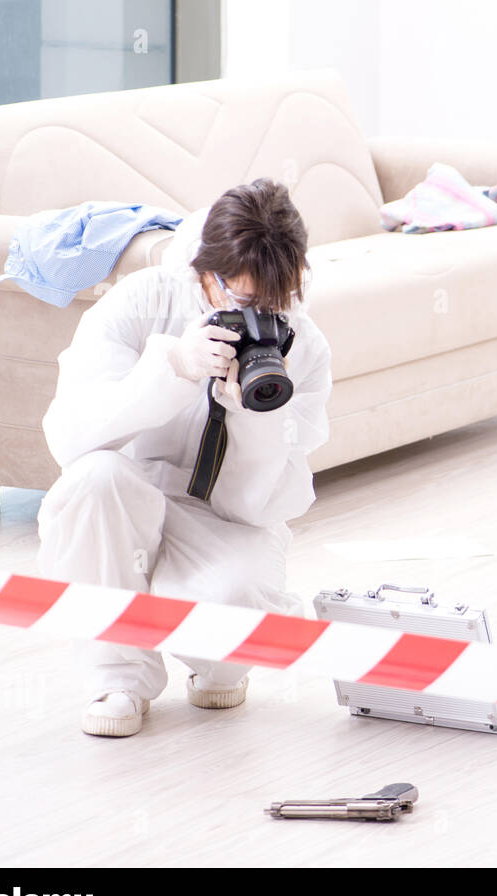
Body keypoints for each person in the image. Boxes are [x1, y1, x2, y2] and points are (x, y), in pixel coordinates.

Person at [37, 178, 333, 736]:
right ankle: (118, 676)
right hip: (128, 497)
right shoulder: (141, 300)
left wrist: (254, 417)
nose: (258, 317)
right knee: (93, 481)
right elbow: (70, 439)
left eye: (273, 303)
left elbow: (267, 506)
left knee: (238, 613)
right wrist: (170, 368)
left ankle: (213, 664)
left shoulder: (304, 345)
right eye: (242, 301)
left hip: (222, 521)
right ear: (206, 272)